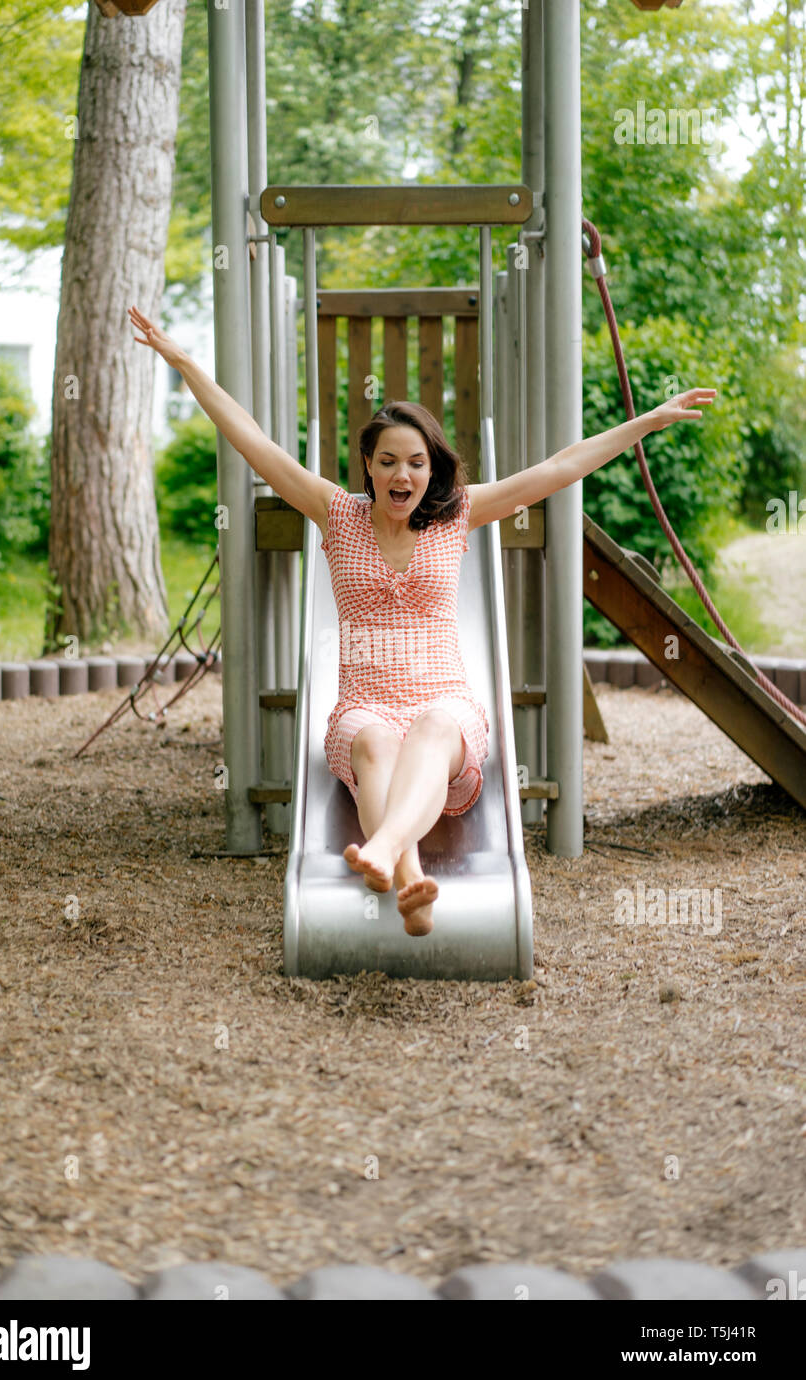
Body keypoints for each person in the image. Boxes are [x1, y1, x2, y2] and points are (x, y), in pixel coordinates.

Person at [128, 303, 715, 937]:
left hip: (443, 702)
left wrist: (645, 423)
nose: (400, 474)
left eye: (415, 462)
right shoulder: (335, 514)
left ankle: (382, 855)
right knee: (376, 740)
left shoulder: (457, 516)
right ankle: (411, 886)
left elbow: (557, 469)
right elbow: (253, 442)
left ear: (431, 470)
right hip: (363, 705)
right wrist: (184, 361)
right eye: (387, 461)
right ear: (368, 467)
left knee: (434, 727)